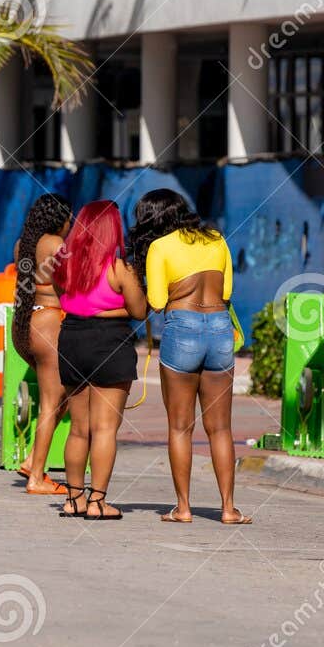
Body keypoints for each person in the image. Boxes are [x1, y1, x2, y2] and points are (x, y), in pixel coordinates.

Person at [127, 188, 250, 525]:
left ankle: (182, 508)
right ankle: (228, 508)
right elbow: (226, 292)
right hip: (220, 328)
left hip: (182, 327)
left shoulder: (159, 247)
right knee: (221, 428)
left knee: (180, 427)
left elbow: (154, 301)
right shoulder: (216, 239)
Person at [52, 200, 147, 519]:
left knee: (78, 428)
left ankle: (74, 499)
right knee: (105, 429)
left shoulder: (63, 265)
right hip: (110, 342)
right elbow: (139, 311)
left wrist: (91, 309)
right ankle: (97, 502)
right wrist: (108, 310)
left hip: (72, 338)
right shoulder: (121, 268)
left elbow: (66, 300)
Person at [9, 193, 72, 496]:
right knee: (51, 403)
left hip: (23, 326)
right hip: (48, 324)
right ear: (60, 220)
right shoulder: (57, 246)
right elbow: (70, 286)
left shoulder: (22, 245)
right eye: (69, 219)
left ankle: (32, 459)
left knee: (63, 397)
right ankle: (37, 477)